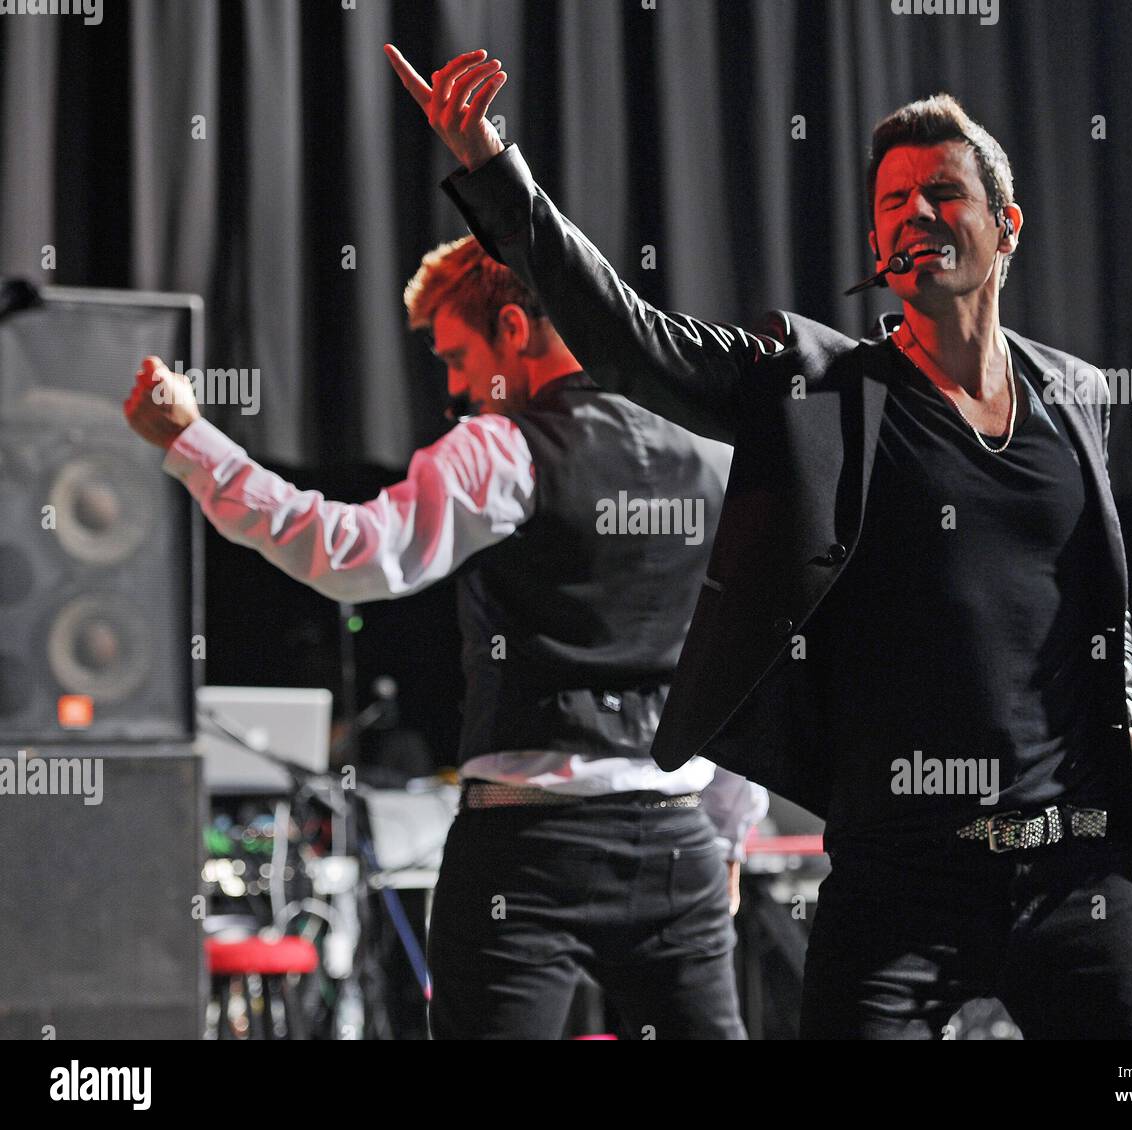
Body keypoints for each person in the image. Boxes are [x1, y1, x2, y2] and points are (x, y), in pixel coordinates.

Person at [384, 45, 1132, 1040]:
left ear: (1006, 226)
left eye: (942, 193)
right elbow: (635, 340)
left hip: (1075, 872)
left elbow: (1090, 591)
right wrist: (495, 170)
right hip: (901, 875)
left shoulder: (1076, 393)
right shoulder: (823, 387)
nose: (914, 217)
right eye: (892, 204)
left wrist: (1124, 707)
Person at [123, 234, 766, 1040]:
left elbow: (349, 553)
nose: (457, 387)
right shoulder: (712, 453)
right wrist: (730, 833)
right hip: (679, 845)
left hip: (530, 845)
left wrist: (192, 442)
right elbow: (745, 665)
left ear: (515, 329)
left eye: (458, 357)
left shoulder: (504, 450)